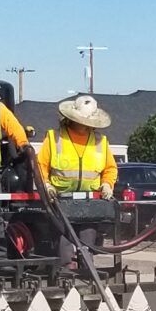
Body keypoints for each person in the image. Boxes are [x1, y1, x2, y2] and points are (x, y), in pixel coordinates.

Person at [39, 95, 119, 265]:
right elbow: (40, 166)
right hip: (61, 200)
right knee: (64, 244)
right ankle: (65, 271)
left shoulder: (100, 141)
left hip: (89, 202)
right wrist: (46, 185)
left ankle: (86, 271)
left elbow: (110, 168)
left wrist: (107, 184)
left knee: (87, 245)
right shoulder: (55, 138)